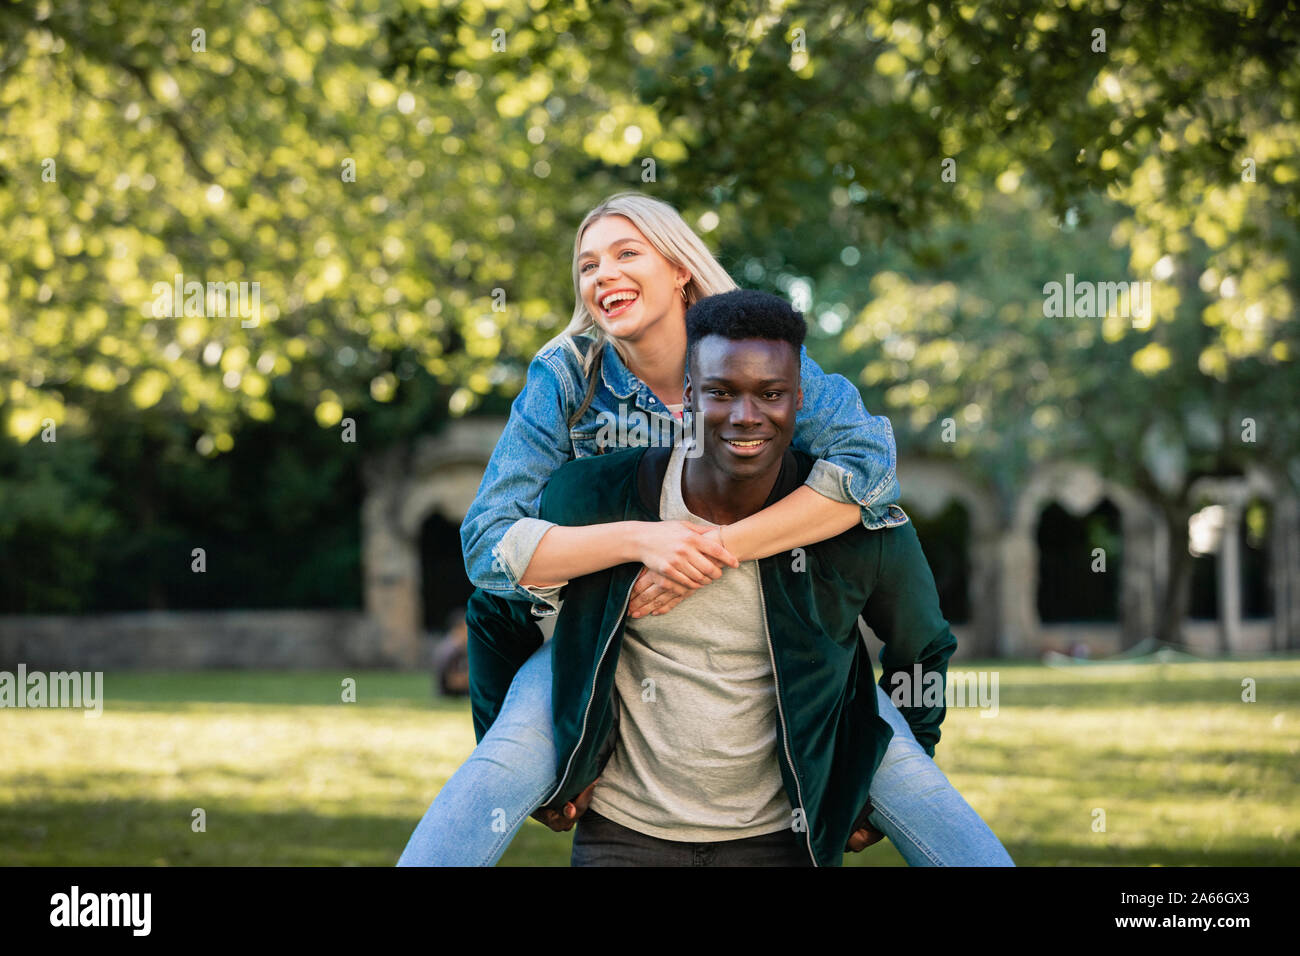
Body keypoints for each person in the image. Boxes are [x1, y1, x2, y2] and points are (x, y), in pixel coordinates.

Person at [397, 192, 1010, 866]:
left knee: (929, 803)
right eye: (588, 264)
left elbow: (869, 472)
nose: (604, 274)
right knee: (495, 772)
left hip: (772, 633)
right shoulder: (569, 377)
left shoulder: (754, 356)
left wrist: (712, 550)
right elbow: (491, 550)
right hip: (606, 641)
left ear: (680, 268)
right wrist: (641, 543)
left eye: (627, 253)